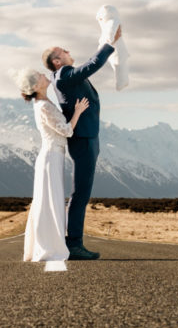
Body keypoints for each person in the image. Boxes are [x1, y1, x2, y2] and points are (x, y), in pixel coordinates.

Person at [42, 21, 120, 260]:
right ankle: (74, 243)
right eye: (63, 50)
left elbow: (88, 67)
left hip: (89, 137)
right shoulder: (63, 75)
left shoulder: (66, 75)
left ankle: (73, 241)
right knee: (81, 193)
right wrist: (109, 43)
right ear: (57, 61)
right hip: (84, 138)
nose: (67, 50)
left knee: (83, 192)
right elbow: (92, 65)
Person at [17, 69, 87, 270]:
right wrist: (78, 112)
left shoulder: (44, 104)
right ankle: (49, 247)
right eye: (39, 75)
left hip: (53, 157)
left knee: (48, 201)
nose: (43, 74)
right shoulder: (44, 106)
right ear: (35, 86)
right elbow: (66, 130)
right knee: (50, 201)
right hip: (51, 157)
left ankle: (45, 244)